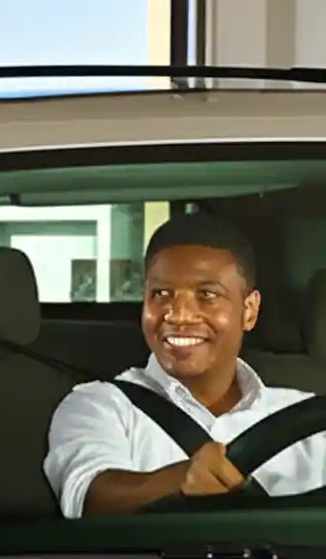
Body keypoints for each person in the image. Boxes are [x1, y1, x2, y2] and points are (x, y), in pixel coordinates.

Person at [42, 212, 326, 519]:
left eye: (207, 295)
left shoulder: (310, 423)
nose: (178, 315)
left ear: (249, 310)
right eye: (161, 294)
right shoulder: (100, 405)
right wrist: (180, 480)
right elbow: (91, 498)